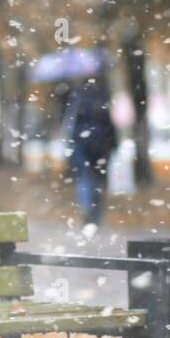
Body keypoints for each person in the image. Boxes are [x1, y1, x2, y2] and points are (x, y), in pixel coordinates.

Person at [62, 75, 117, 226]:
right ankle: (96, 214)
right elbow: (110, 126)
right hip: (100, 146)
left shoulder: (78, 100)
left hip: (82, 145)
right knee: (98, 180)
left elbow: (71, 126)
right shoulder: (102, 100)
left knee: (83, 178)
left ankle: (86, 207)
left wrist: (71, 146)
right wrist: (113, 145)